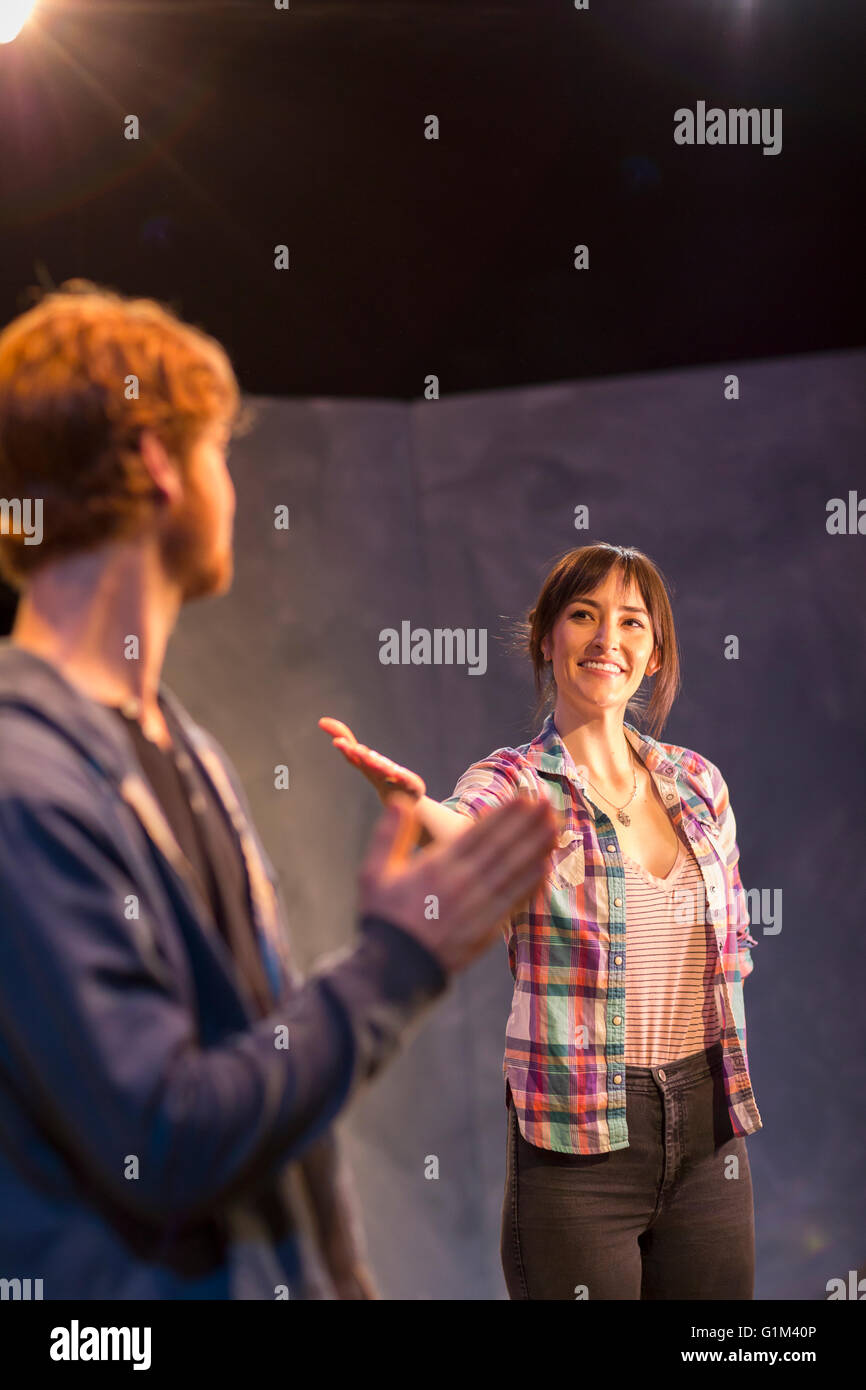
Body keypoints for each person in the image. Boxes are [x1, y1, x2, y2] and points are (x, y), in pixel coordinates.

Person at [0, 281, 557, 1300]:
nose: (234, 489)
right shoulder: (18, 786)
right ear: (159, 465)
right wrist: (399, 960)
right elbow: (165, 1136)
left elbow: (254, 1104)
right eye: (219, 452)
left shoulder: (180, 751)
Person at [320, 541, 762, 1300]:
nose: (606, 640)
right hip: (577, 1145)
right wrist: (411, 804)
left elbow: (733, 948)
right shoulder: (517, 782)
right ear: (546, 638)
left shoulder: (698, 785)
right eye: (583, 616)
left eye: (631, 622)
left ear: (654, 654)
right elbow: (468, 828)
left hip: (710, 1138)